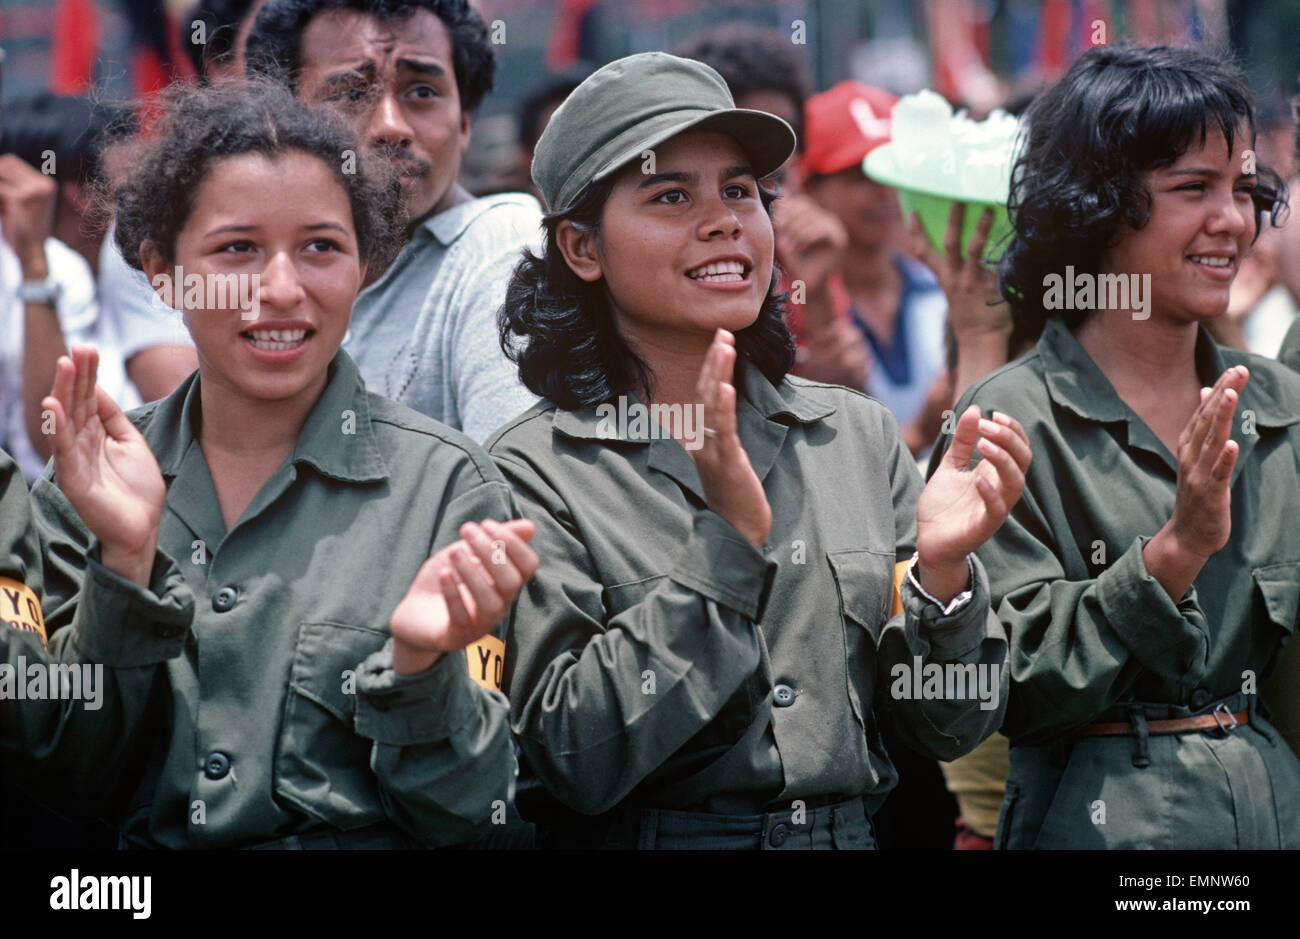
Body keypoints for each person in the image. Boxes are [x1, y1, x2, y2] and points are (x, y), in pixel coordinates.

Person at [489, 52, 1027, 850]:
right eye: (671, 195)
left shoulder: (854, 434)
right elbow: (575, 757)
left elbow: (946, 727)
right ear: (581, 247)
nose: (724, 220)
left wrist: (945, 582)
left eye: (741, 191)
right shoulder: (531, 472)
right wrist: (726, 545)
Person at [13, 81, 534, 849]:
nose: (282, 290)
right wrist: (123, 569)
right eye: (237, 249)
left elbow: (479, 818)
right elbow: (60, 780)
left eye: (322, 246)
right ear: (162, 272)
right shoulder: (84, 487)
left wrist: (424, 673)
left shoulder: (450, 490)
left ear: (366, 266)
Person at [937, 44, 1300, 849]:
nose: (1232, 221)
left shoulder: (1280, 405)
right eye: (1192, 189)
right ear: (1097, 209)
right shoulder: (1008, 422)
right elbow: (998, 690)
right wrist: (1170, 556)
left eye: (1244, 189)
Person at [245, 0, 539, 442]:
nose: (391, 127)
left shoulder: (500, 243)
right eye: (350, 93)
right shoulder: (260, 272)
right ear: (283, 122)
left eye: (422, 91)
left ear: (463, 124)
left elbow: (514, 496)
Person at [798, 81, 952, 457]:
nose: (885, 192)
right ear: (809, 188)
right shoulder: (788, 318)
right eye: (862, 175)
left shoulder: (948, 293)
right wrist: (922, 432)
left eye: (893, 171)